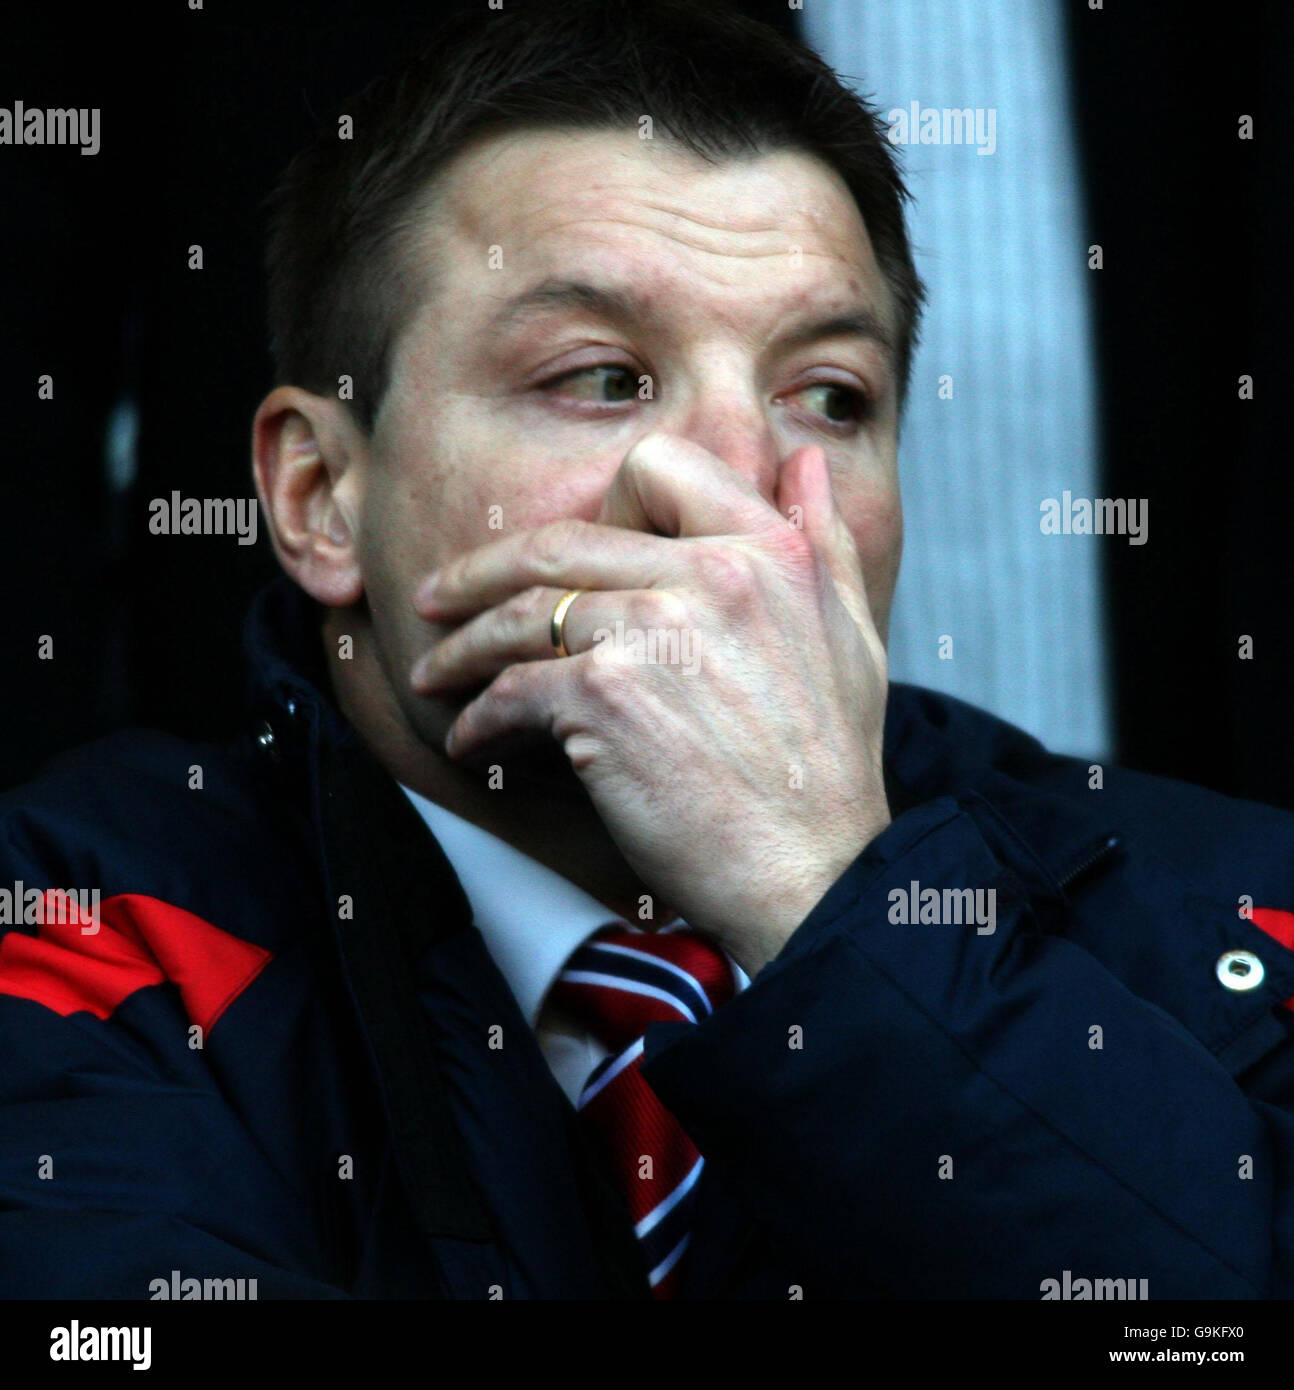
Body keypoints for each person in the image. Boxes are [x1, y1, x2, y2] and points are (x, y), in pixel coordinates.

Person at [3, 0, 1293, 1301]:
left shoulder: (1223, 912)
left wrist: (827, 896)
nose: (732, 488)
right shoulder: (90, 925)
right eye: (600, 376)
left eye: (828, 397)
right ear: (319, 496)